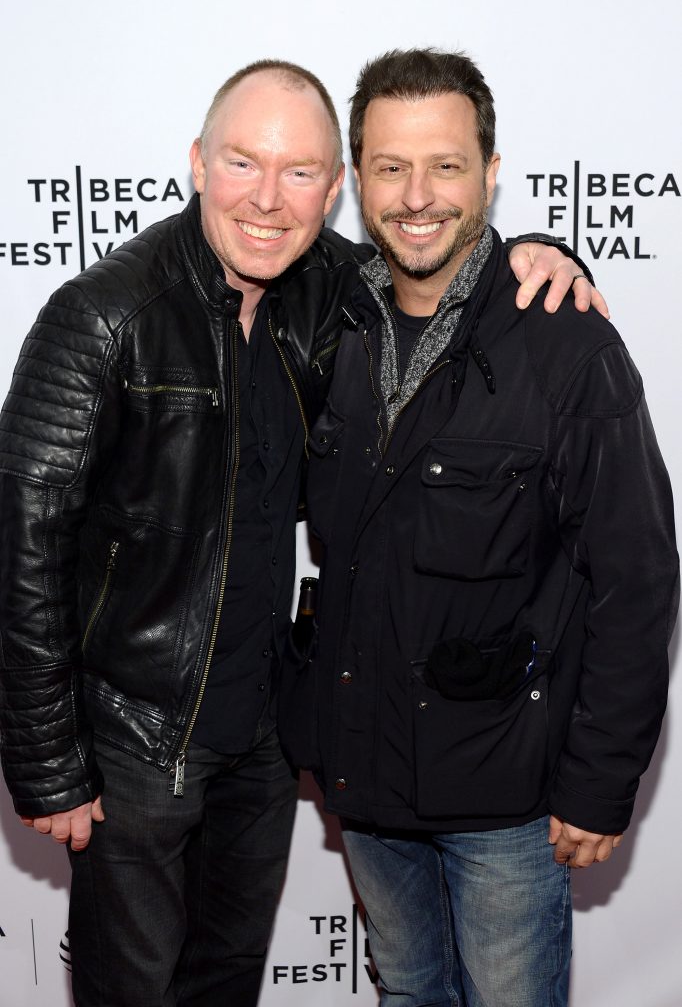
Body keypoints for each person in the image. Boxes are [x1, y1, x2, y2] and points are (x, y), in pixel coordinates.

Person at [0, 58, 601, 1007]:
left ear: (333, 190)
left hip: (264, 737)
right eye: (245, 163)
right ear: (199, 162)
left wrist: (541, 251)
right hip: (135, 739)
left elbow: (442, 257)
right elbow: (23, 553)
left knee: (227, 981)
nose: (269, 200)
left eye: (300, 172)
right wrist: (48, 763)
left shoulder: (324, 289)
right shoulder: (104, 317)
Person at [279, 49, 679, 1007]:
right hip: (365, 778)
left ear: (491, 174)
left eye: (446, 166)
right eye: (391, 167)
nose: (418, 196)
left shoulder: (565, 344)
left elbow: (637, 581)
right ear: (357, 179)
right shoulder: (330, 320)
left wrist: (599, 784)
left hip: (507, 799)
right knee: (409, 994)